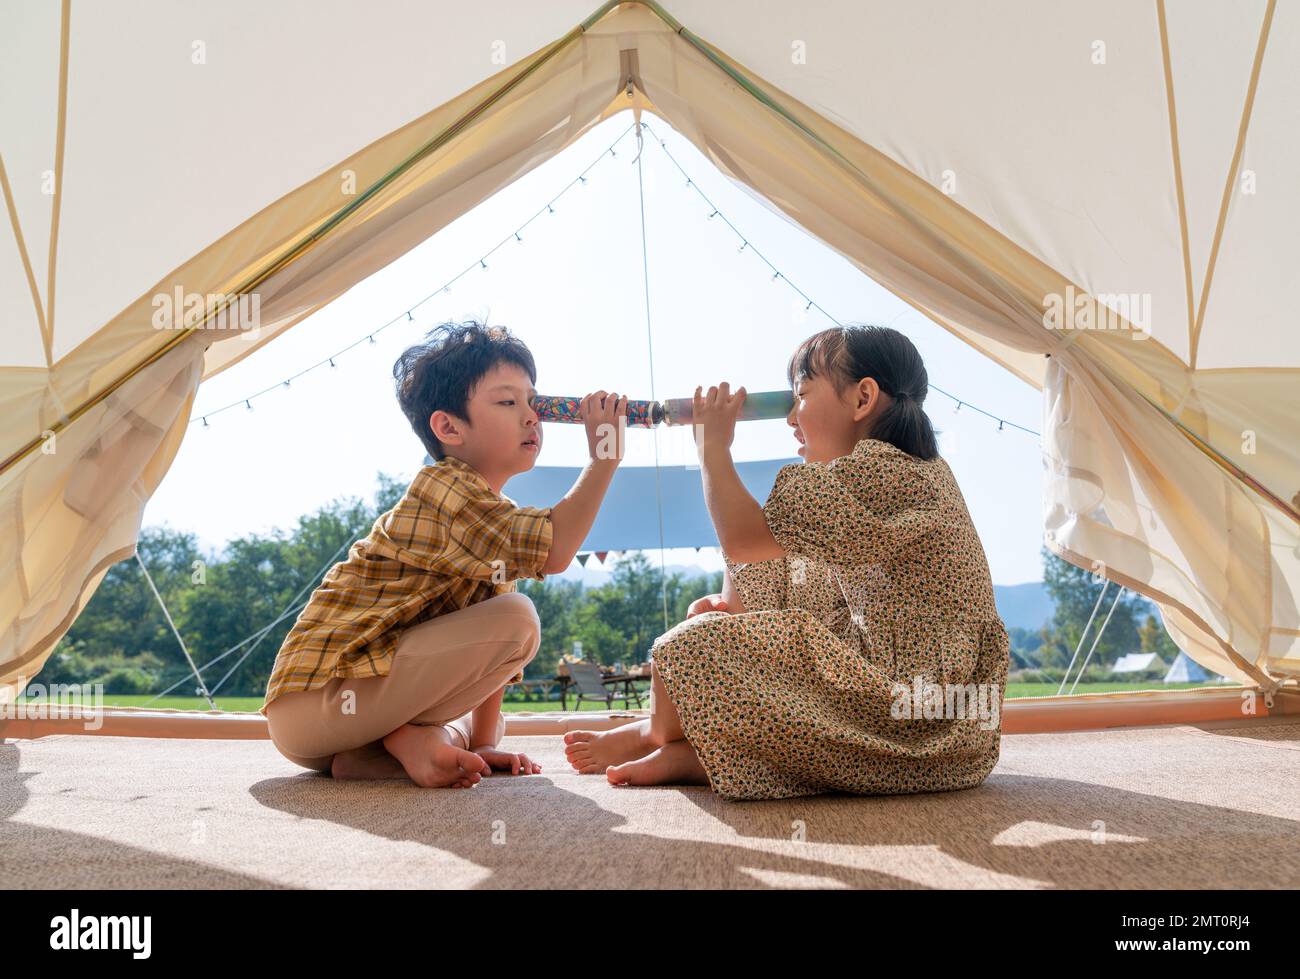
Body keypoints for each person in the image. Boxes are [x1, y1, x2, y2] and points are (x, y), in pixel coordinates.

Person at [564, 324, 1009, 801]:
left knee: (697, 642)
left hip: (919, 722)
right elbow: (757, 553)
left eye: (801, 397)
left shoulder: (886, 469)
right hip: (925, 703)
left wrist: (712, 447)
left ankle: (669, 738)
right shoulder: (899, 471)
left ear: (863, 399)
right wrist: (738, 604)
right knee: (775, 556)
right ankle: (700, 733)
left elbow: (742, 540)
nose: (791, 418)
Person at [263, 319, 627, 788]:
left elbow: (492, 655)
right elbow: (555, 553)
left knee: (491, 718)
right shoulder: (445, 489)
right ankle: (407, 735)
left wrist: (484, 747)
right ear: (448, 427)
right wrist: (603, 458)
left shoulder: (492, 517)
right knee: (519, 618)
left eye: (532, 402)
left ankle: (381, 753)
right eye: (507, 401)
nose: (531, 416)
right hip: (320, 698)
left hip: (331, 728)